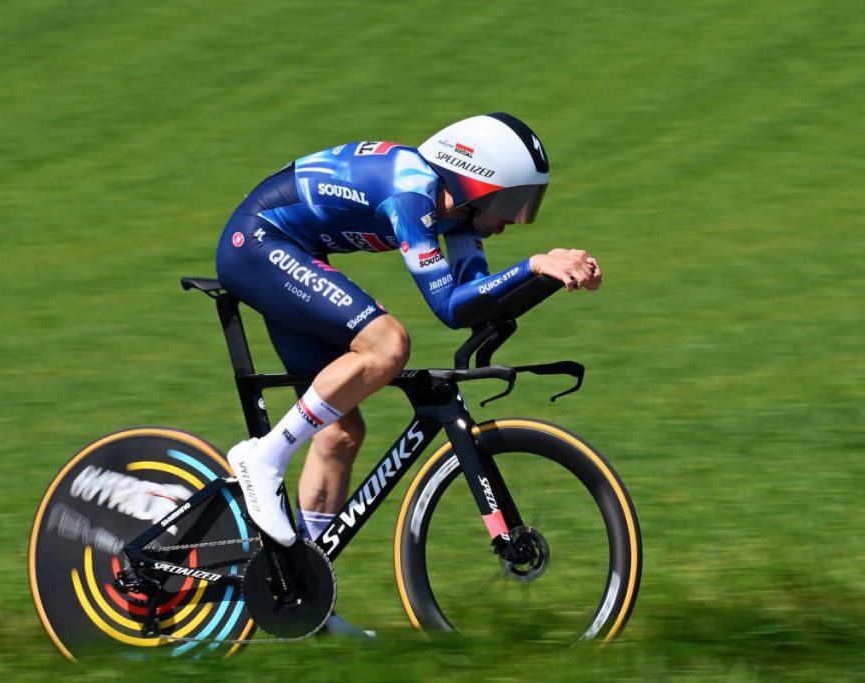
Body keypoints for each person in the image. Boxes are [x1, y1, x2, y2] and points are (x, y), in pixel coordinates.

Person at [216, 111, 601, 571]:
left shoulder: (455, 216)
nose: (516, 220)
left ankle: (307, 589)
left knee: (340, 433)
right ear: (475, 185)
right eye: (512, 201)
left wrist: (551, 279)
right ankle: (263, 458)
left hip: (291, 251)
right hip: (256, 244)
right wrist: (534, 264)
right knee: (387, 343)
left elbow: (471, 304)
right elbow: (448, 307)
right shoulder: (411, 196)